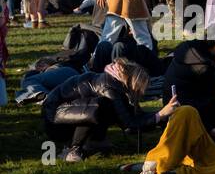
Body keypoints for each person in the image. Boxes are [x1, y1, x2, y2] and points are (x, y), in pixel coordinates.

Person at [42, 57, 180, 162]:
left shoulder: (115, 83)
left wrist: (161, 115)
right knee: (97, 107)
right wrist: (160, 114)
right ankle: (73, 149)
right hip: (54, 120)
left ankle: (95, 140)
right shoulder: (109, 88)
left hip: (63, 113)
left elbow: (134, 117)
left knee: (104, 106)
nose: (141, 91)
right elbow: (129, 123)